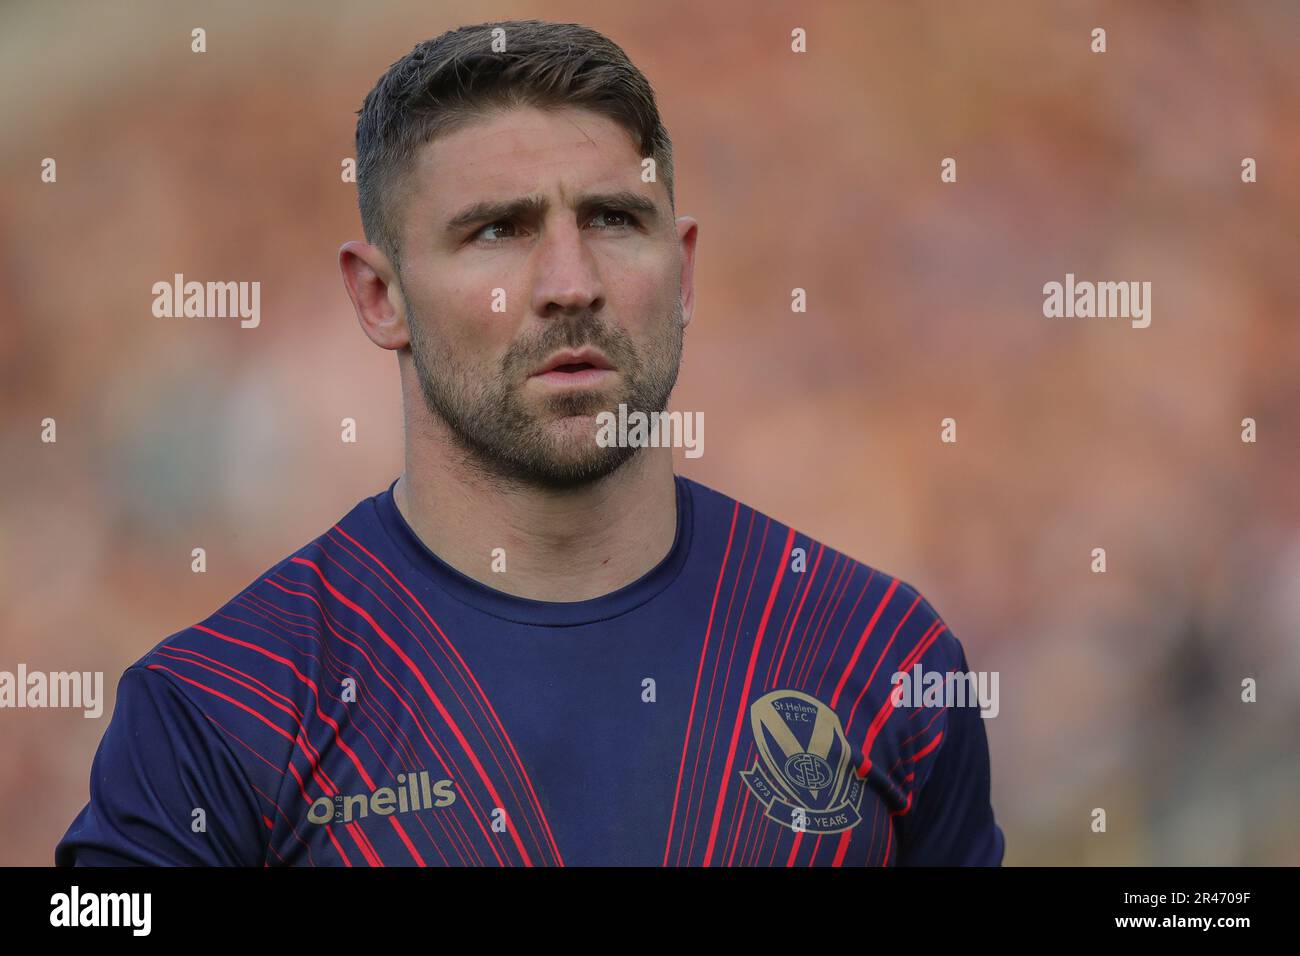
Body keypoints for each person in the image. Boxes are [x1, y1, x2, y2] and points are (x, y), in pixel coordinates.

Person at [55, 18, 1003, 867]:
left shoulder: (881, 652)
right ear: (380, 299)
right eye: (498, 230)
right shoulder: (220, 710)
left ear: (682, 270)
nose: (569, 282)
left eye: (613, 220)